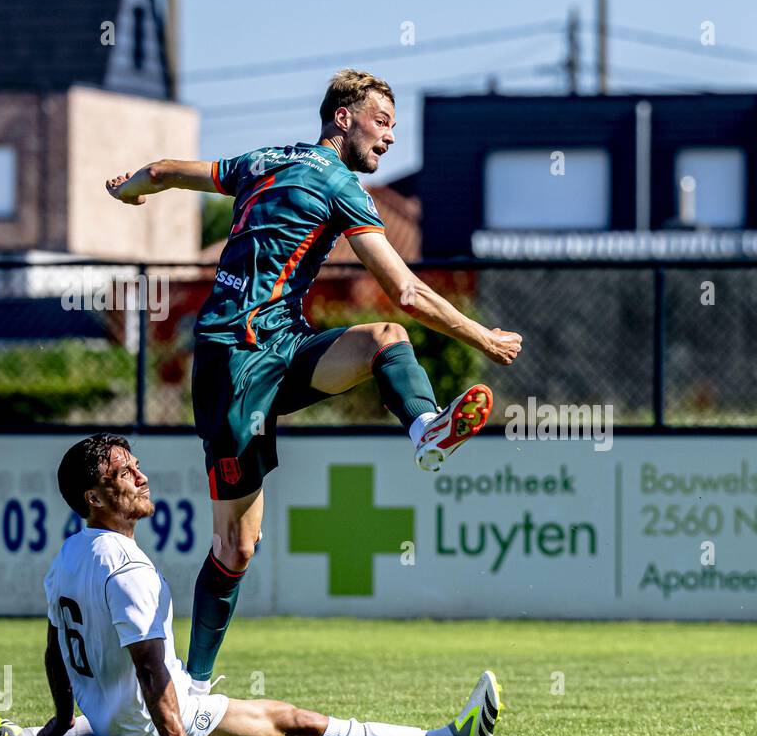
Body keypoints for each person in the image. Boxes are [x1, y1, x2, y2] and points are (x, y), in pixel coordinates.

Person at [102, 68, 523, 690]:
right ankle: (191, 687)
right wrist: (481, 336)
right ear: (343, 117)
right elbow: (403, 289)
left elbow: (165, 171)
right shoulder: (338, 183)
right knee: (235, 548)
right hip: (233, 359)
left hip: (284, 346)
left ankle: (427, 430)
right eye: (382, 124)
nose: (389, 141)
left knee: (384, 341)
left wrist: (129, 191)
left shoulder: (259, 161)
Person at [0, 434, 500, 736]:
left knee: (148, 705)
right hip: (152, 722)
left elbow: (54, 650)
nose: (142, 477)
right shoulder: (126, 566)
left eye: (136, 465)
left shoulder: (67, 557)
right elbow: (150, 669)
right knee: (296, 726)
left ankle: (55, 729)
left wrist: (58, 723)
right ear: (95, 498)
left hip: (113, 720)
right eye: (124, 473)